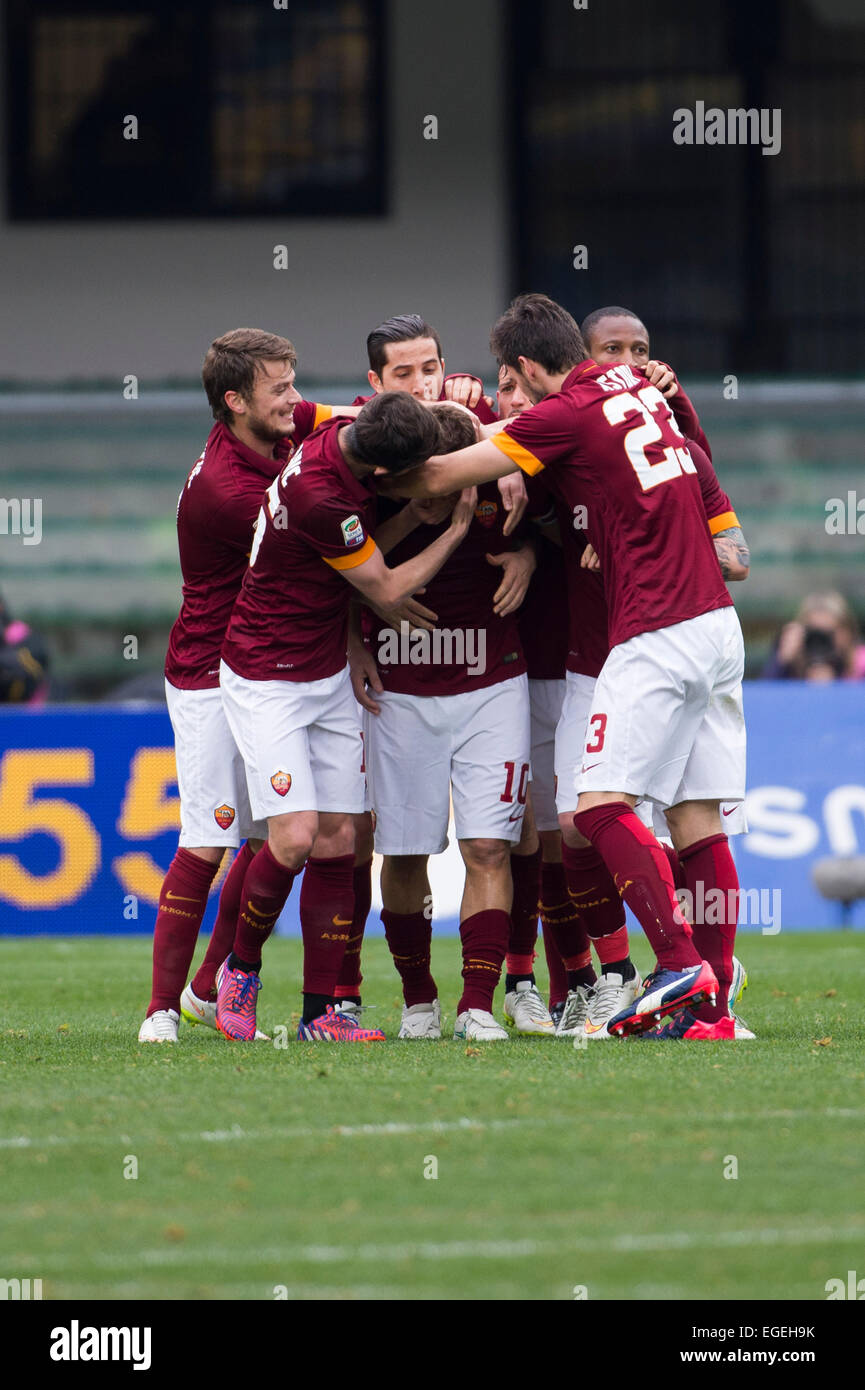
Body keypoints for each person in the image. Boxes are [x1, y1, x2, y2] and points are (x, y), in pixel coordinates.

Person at [385, 293, 748, 1039]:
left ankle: (676, 962)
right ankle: (711, 1012)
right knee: (696, 817)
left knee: (594, 806)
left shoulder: (564, 413)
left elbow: (438, 477)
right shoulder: (641, 392)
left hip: (656, 629)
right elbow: (715, 526)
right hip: (717, 625)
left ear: (524, 366)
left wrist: (358, 448)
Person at [216, 392, 476, 1042]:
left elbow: (349, 556)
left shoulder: (338, 435)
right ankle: (240, 967)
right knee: (295, 837)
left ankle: (318, 1016)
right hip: (265, 676)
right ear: (385, 474)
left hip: (326, 668)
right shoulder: (322, 498)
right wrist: (451, 528)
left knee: (339, 839)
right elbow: (384, 585)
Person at [139, 328, 343, 1043]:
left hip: (263, 668)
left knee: (274, 836)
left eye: (293, 381)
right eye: (279, 388)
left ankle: (207, 985)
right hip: (210, 676)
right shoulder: (229, 492)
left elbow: (348, 422)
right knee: (209, 839)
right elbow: (328, 544)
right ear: (234, 402)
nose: (295, 399)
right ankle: (160, 1010)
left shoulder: (276, 429)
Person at [352, 402, 539, 1041]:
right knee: (404, 852)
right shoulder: (374, 489)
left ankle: (479, 1004)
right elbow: (331, 570)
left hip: (493, 686)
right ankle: (418, 1000)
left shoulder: (507, 479)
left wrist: (532, 552)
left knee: (489, 845)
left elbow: (569, 523)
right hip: (399, 690)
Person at [764, 592, 865, 682]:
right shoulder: (795, 662)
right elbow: (765, 696)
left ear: (847, 632)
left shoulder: (861, 664)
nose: (821, 642)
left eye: (828, 633)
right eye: (815, 634)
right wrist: (781, 664)